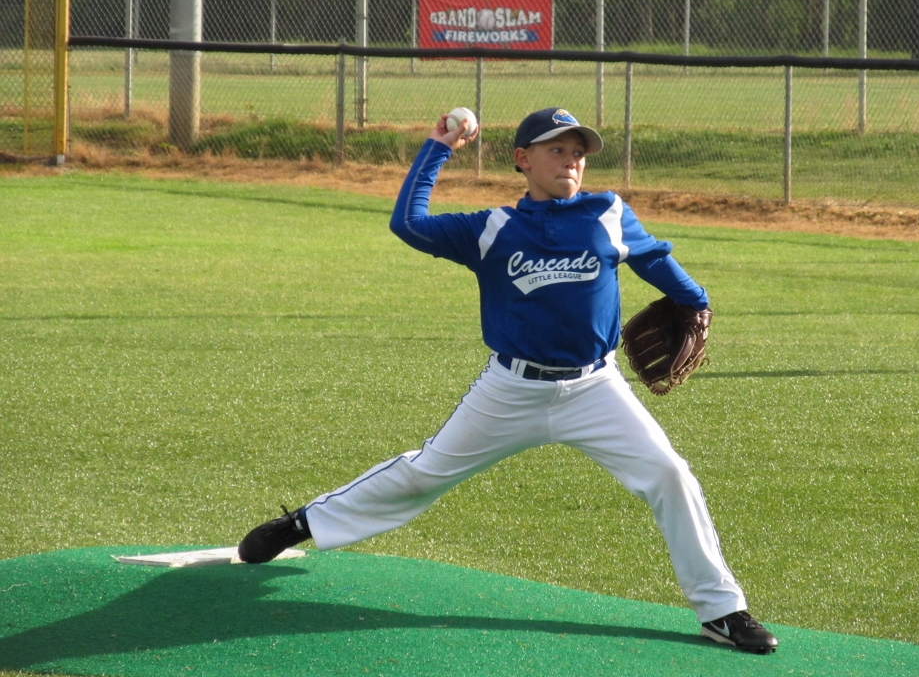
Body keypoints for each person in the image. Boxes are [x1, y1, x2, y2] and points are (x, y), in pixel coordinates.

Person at [237, 107, 778, 655]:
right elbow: (409, 224)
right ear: (522, 160)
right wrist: (437, 148)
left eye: (578, 153)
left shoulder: (608, 213)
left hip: (595, 389)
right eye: (556, 150)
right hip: (510, 390)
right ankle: (304, 523)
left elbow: (656, 261)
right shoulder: (491, 229)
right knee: (425, 473)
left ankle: (722, 611)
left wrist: (697, 300)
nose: (571, 161)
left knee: (669, 475)